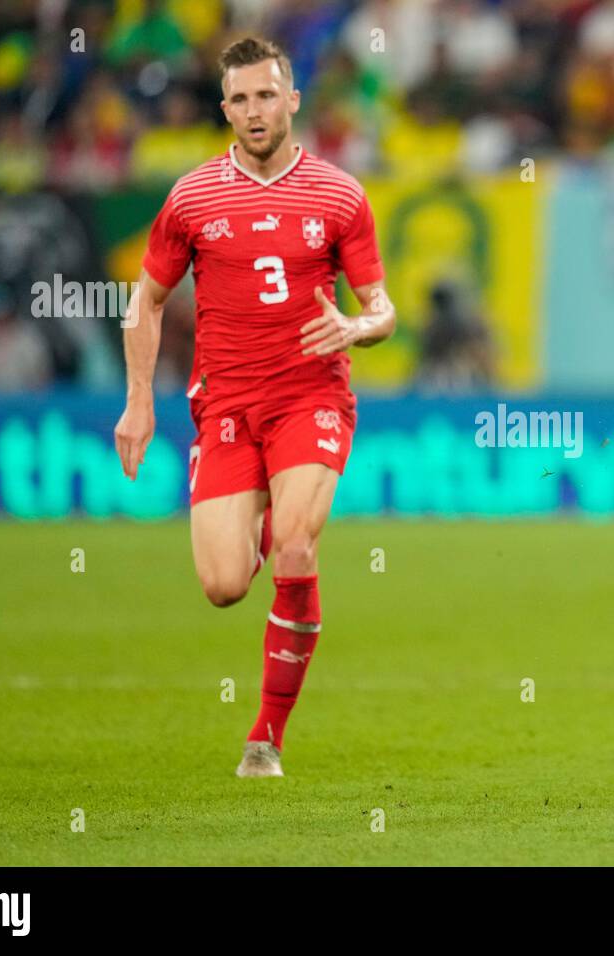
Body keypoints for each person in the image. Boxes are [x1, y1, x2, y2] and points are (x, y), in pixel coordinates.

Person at [113, 38, 396, 778]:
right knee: (224, 585)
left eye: (266, 95)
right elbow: (143, 300)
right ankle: (272, 509)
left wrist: (356, 328)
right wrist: (139, 401)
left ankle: (265, 738)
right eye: (239, 99)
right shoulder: (193, 198)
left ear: (292, 99)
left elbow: (382, 309)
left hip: (311, 395)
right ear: (225, 109)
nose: (254, 111)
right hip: (227, 405)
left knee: (297, 549)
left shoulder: (339, 196)